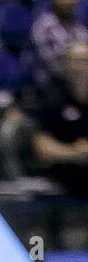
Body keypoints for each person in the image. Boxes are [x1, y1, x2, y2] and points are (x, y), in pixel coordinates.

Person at [32, 41, 88, 199]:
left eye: (85, 61)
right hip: (67, 169)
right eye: (76, 61)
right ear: (67, 66)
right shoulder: (54, 98)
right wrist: (75, 152)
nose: (81, 68)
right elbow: (41, 146)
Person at [31, 0, 88, 91]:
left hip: (80, 82)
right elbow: (52, 64)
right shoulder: (44, 26)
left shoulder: (79, 26)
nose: (69, 2)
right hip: (52, 85)